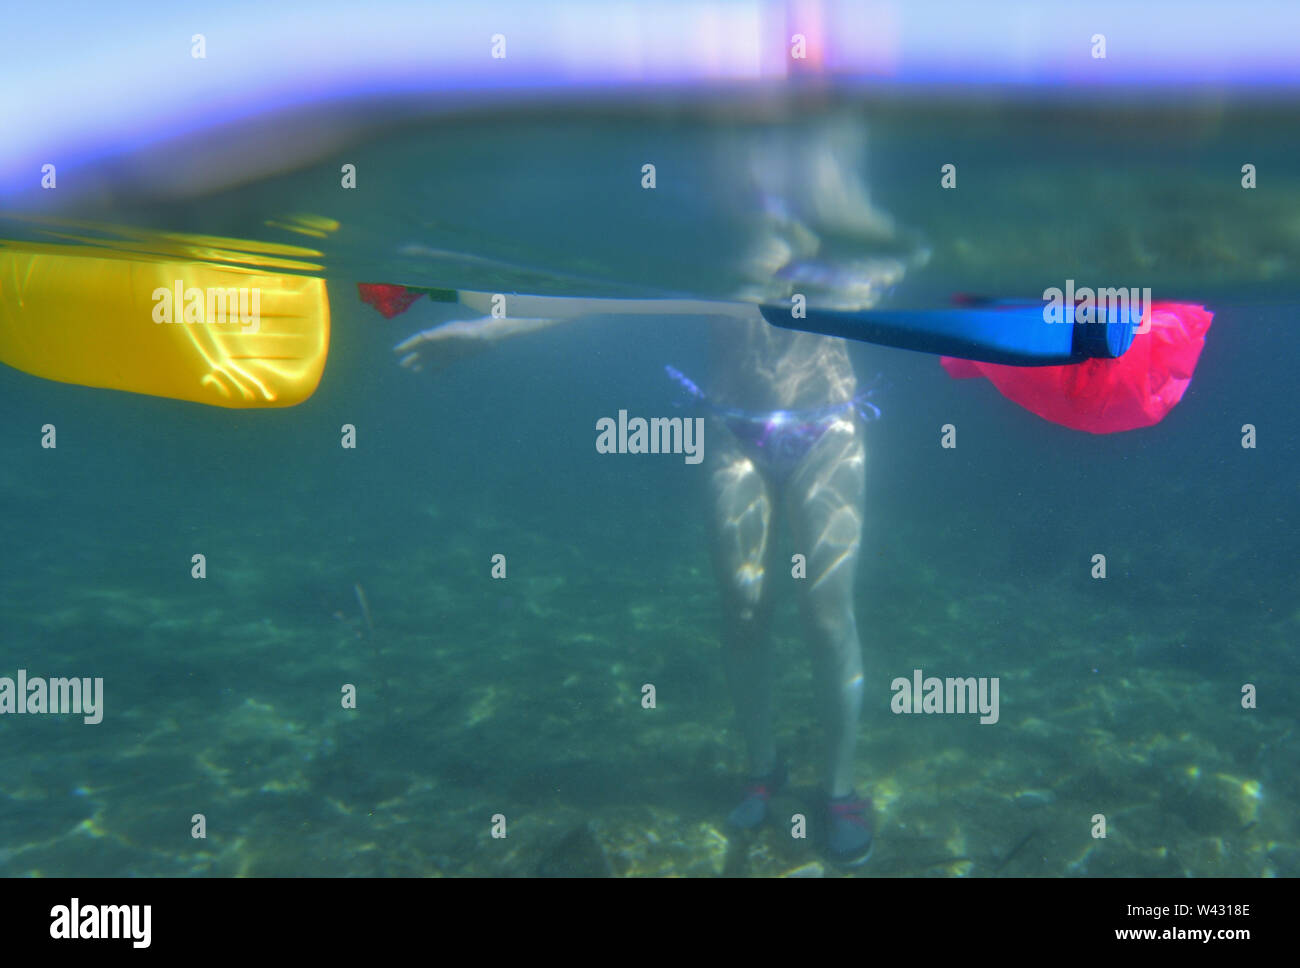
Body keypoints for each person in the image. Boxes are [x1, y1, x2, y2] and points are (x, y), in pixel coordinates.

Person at [392, 124, 915, 867]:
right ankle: (762, 768)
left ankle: (840, 787)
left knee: (827, 617)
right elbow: (601, 295)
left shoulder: (835, 219)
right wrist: (487, 329)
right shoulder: (707, 229)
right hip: (734, 428)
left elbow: (891, 277)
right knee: (741, 605)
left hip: (826, 425)